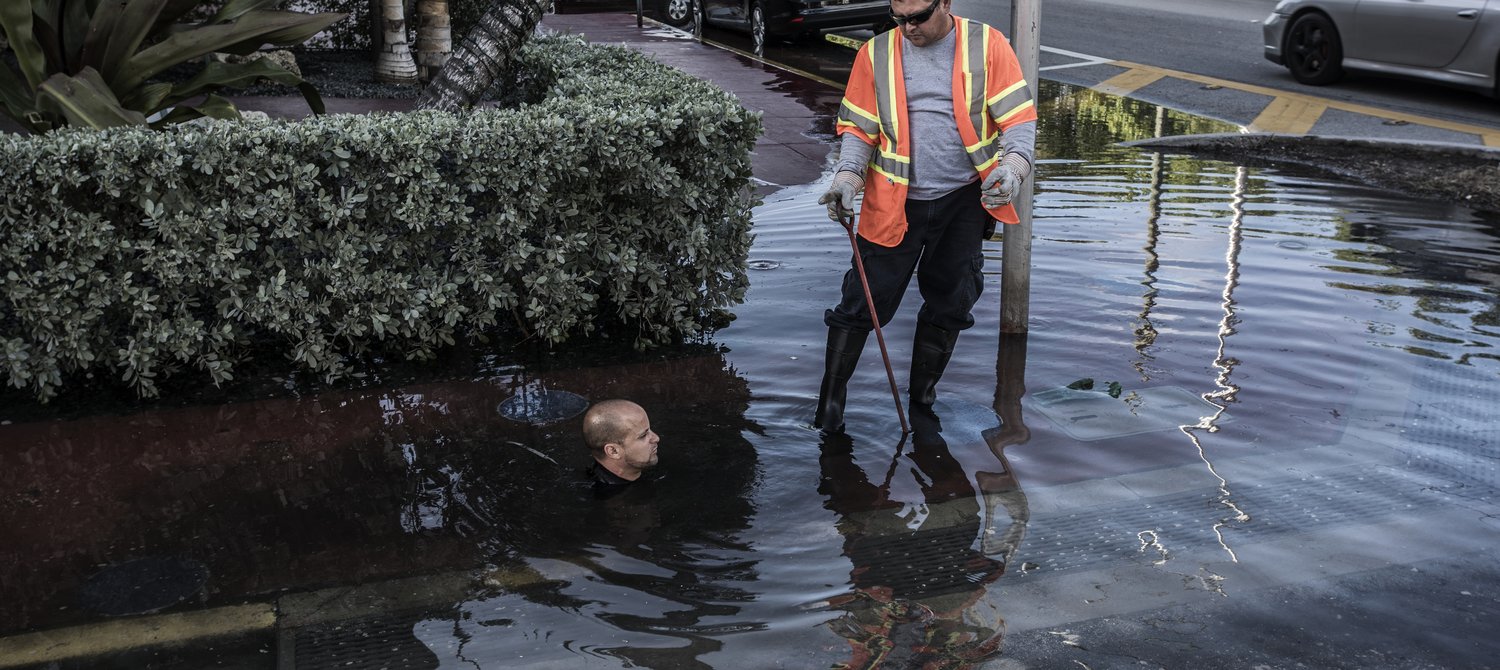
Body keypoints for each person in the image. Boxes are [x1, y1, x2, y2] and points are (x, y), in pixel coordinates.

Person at [814, 0, 1038, 434]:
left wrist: (1012, 170)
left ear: (946, 4)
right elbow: (860, 131)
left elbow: (1018, 122)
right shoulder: (875, 54)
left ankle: (922, 402)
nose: (908, 28)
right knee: (861, 302)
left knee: (952, 301)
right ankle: (830, 407)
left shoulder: (988, 45)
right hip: (894, 202)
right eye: (899, 18)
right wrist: (846, 178)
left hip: (962, 201)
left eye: (917, 17)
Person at [581, 399, 661, 498]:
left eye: (649, 430)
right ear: (613, 451)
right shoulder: (610, 500)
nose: (656, 438)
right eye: (643, 435)